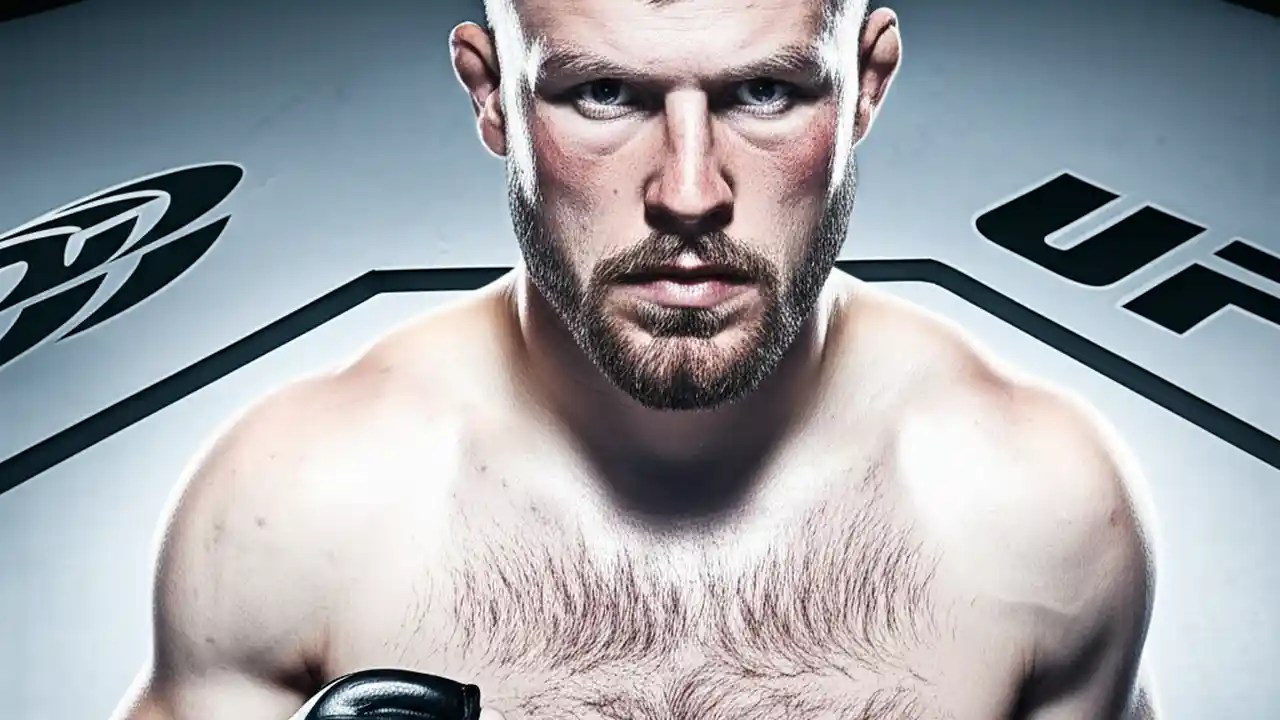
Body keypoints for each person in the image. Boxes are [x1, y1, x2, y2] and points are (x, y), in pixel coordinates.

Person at [110, 0, 1161, 718]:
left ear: (866, 84)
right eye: (605, 95)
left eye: (764, 94)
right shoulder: (292, 511)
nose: (691, 192)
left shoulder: (1043, 509)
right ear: (490, 97)